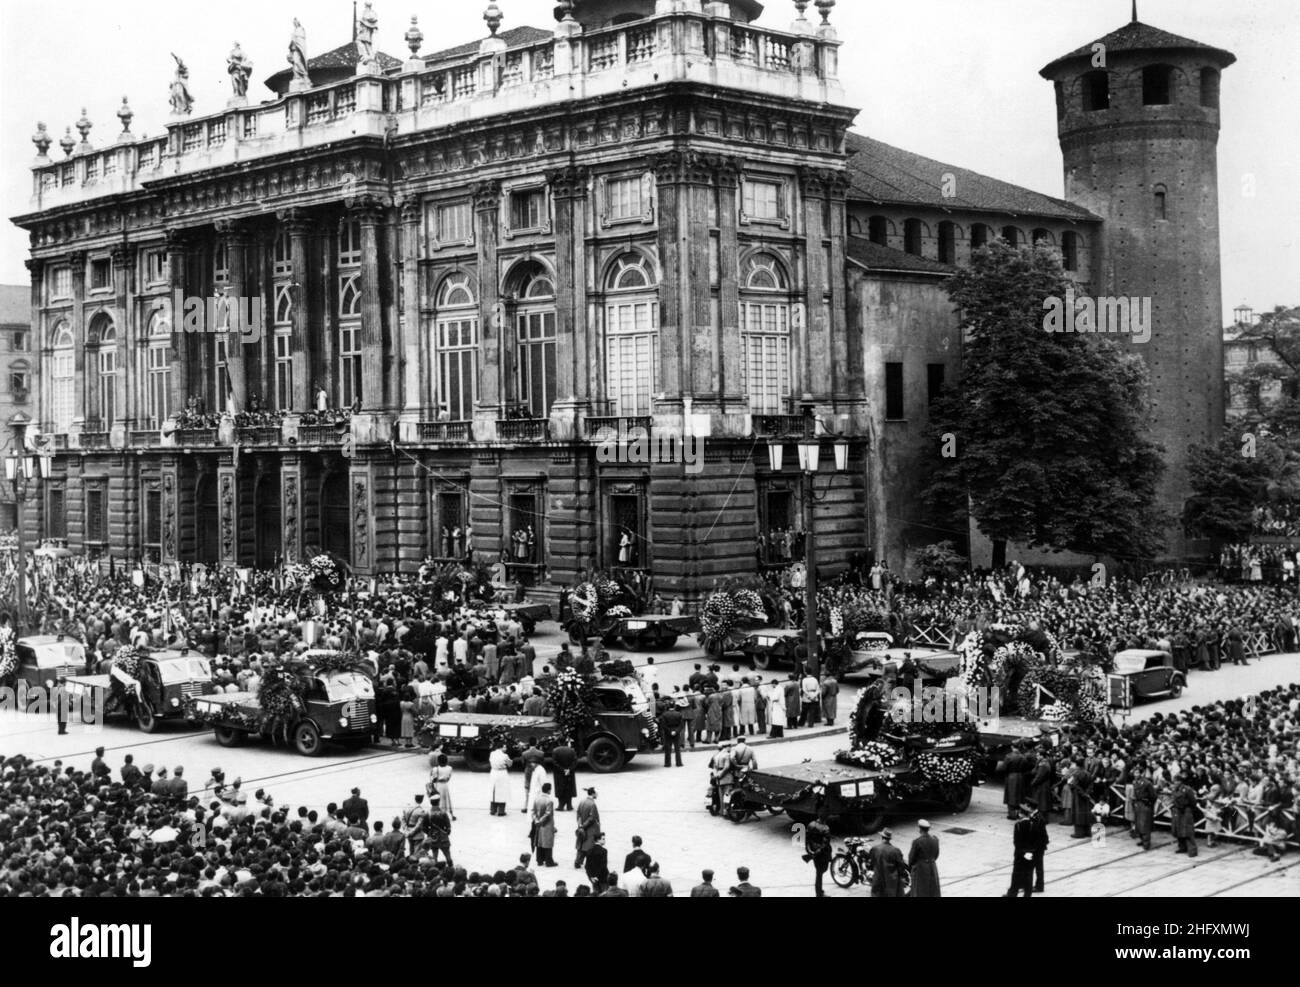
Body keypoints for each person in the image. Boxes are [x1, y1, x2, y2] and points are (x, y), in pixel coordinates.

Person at [1006, 807, 1036, 897]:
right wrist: (1030, 852)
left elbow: (1017, 842)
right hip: (1030, 855)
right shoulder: (1033, 824)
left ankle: (1012, 893)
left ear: (1021, 814)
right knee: (1029, 875)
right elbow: (1035, 841)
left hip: (1019, 855)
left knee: (1016, 875)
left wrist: (1023, 853)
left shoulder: (1018, 825)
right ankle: (1027, 894)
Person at [869, 829, 907, 898]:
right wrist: (903, 876)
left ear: (882, 837)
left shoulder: (875, 849)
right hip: (891, 879)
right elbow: (901, 866)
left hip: (878, 877)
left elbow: (872, 862)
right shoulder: (895, 850)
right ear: (889, 839)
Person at [908, 820, 941, 897]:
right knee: (933, 889)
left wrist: (911, 868)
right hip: (932, 867)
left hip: (921, 868)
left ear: (920, 829)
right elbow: (936, 854)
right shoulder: (935, 839)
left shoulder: (917, 842)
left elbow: (911, 858)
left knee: (920, 890)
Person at [804, 815, 834, 897]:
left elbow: (807, 840)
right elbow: (825, 844)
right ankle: (819, 893)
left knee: (818, 873)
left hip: (814, 851)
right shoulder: (825, 828)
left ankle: (819, 891)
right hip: (822, 854)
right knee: (820, 873)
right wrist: (817, 852)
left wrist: (810, 852)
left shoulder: (811, 824)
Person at [1170, 778, 1199, 857]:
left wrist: (1188, 809)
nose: (1175, 783)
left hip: (1185, 811)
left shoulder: (1187, 789)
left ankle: (1192, 851)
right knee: (1179, 830)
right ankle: (1182, 847)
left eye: (1177, 781)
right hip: (1177, 811)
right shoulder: (1175, 789)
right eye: (1174, 781)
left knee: (1188, 831)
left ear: (1181, 781)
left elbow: (1193, 801)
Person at [1131, 764, 1156, 851]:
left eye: (1137, 773)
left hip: (1145, 804)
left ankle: (1146, 843)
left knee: (1145, 824)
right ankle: (1142, 840)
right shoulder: (1134, 782)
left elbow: (1153, 796)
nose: (1136, 774)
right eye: (1135, 773)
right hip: (1138, 804)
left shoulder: (1147, 783)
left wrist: (1149, 804)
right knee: (1138, 824)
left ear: (1141, 774)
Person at [531, 783, 557, 866]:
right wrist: (541, 821)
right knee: (548, 842)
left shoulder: (537, 798)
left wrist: (536, 821)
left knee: (539, 842)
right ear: (549, 790)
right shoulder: (549, 801)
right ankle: (549, 861)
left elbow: (533, 811)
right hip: (547, 824)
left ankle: (539, 860)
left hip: (538, 824)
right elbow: (548, 813)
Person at [574, 787, 601, 869]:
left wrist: (580, 825)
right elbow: (592, 818)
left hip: (582, 827)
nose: (597, 794)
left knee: (581, 845)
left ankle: (578, 861)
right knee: (589, 846)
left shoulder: (582, 802)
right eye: (596, 793)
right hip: (590, 829)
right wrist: (584, 826)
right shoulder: (592, 804)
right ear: (593, 794)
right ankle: (590, 863)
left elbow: (578, 814)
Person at [426, 794, 453, 865]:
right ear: (438, 802)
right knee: (448, 856)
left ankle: (435, 869)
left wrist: (429, 832)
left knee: (435, 856)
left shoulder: (427, 814)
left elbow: (424, 827)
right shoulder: (443, 813)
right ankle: (450, 869)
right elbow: (448, 826)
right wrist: (446, 832)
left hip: (433, 836)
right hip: (443, 836)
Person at [488, 741, 512, 817]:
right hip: (502, 773)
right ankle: (501, 811)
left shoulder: (492, 753)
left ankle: (493, 810)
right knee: (502, 791)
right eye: (504, 747)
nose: (506, 748)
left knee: (493, 791)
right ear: (501, 747)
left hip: (493, 772)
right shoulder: (505, 756)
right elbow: (509, 764)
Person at [552, 742, 578, 811]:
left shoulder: (555, 750)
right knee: (569, 787)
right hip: (570, 773)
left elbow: (554, 763)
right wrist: (569, 769)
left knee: (560, 788)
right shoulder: (572, 750)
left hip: (559, 773)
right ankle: (569, 805)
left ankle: (560, 805)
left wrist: (562, 770)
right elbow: (575, 761)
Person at [429, 752, 455, 820]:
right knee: (446, 799)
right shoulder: (449, 768)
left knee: (438, 800)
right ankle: (449, 813)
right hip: (445, 785)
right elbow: (449, 777)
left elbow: (433, 779)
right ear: (446, 761)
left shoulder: (435, 769)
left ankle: (437, 814)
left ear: (438, 761)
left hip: (438, 785)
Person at [658, 701, 684, 767]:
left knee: (668, 749)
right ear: (674, 706)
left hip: (667, 732)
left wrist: (670, 731)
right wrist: (676, 731)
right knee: (677, 749)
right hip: (676, 732)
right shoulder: (679, 714)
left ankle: (667, 763)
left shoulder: (664, 714)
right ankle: (679, 763)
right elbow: (681, 725)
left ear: (668, 706)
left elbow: (663, 725)